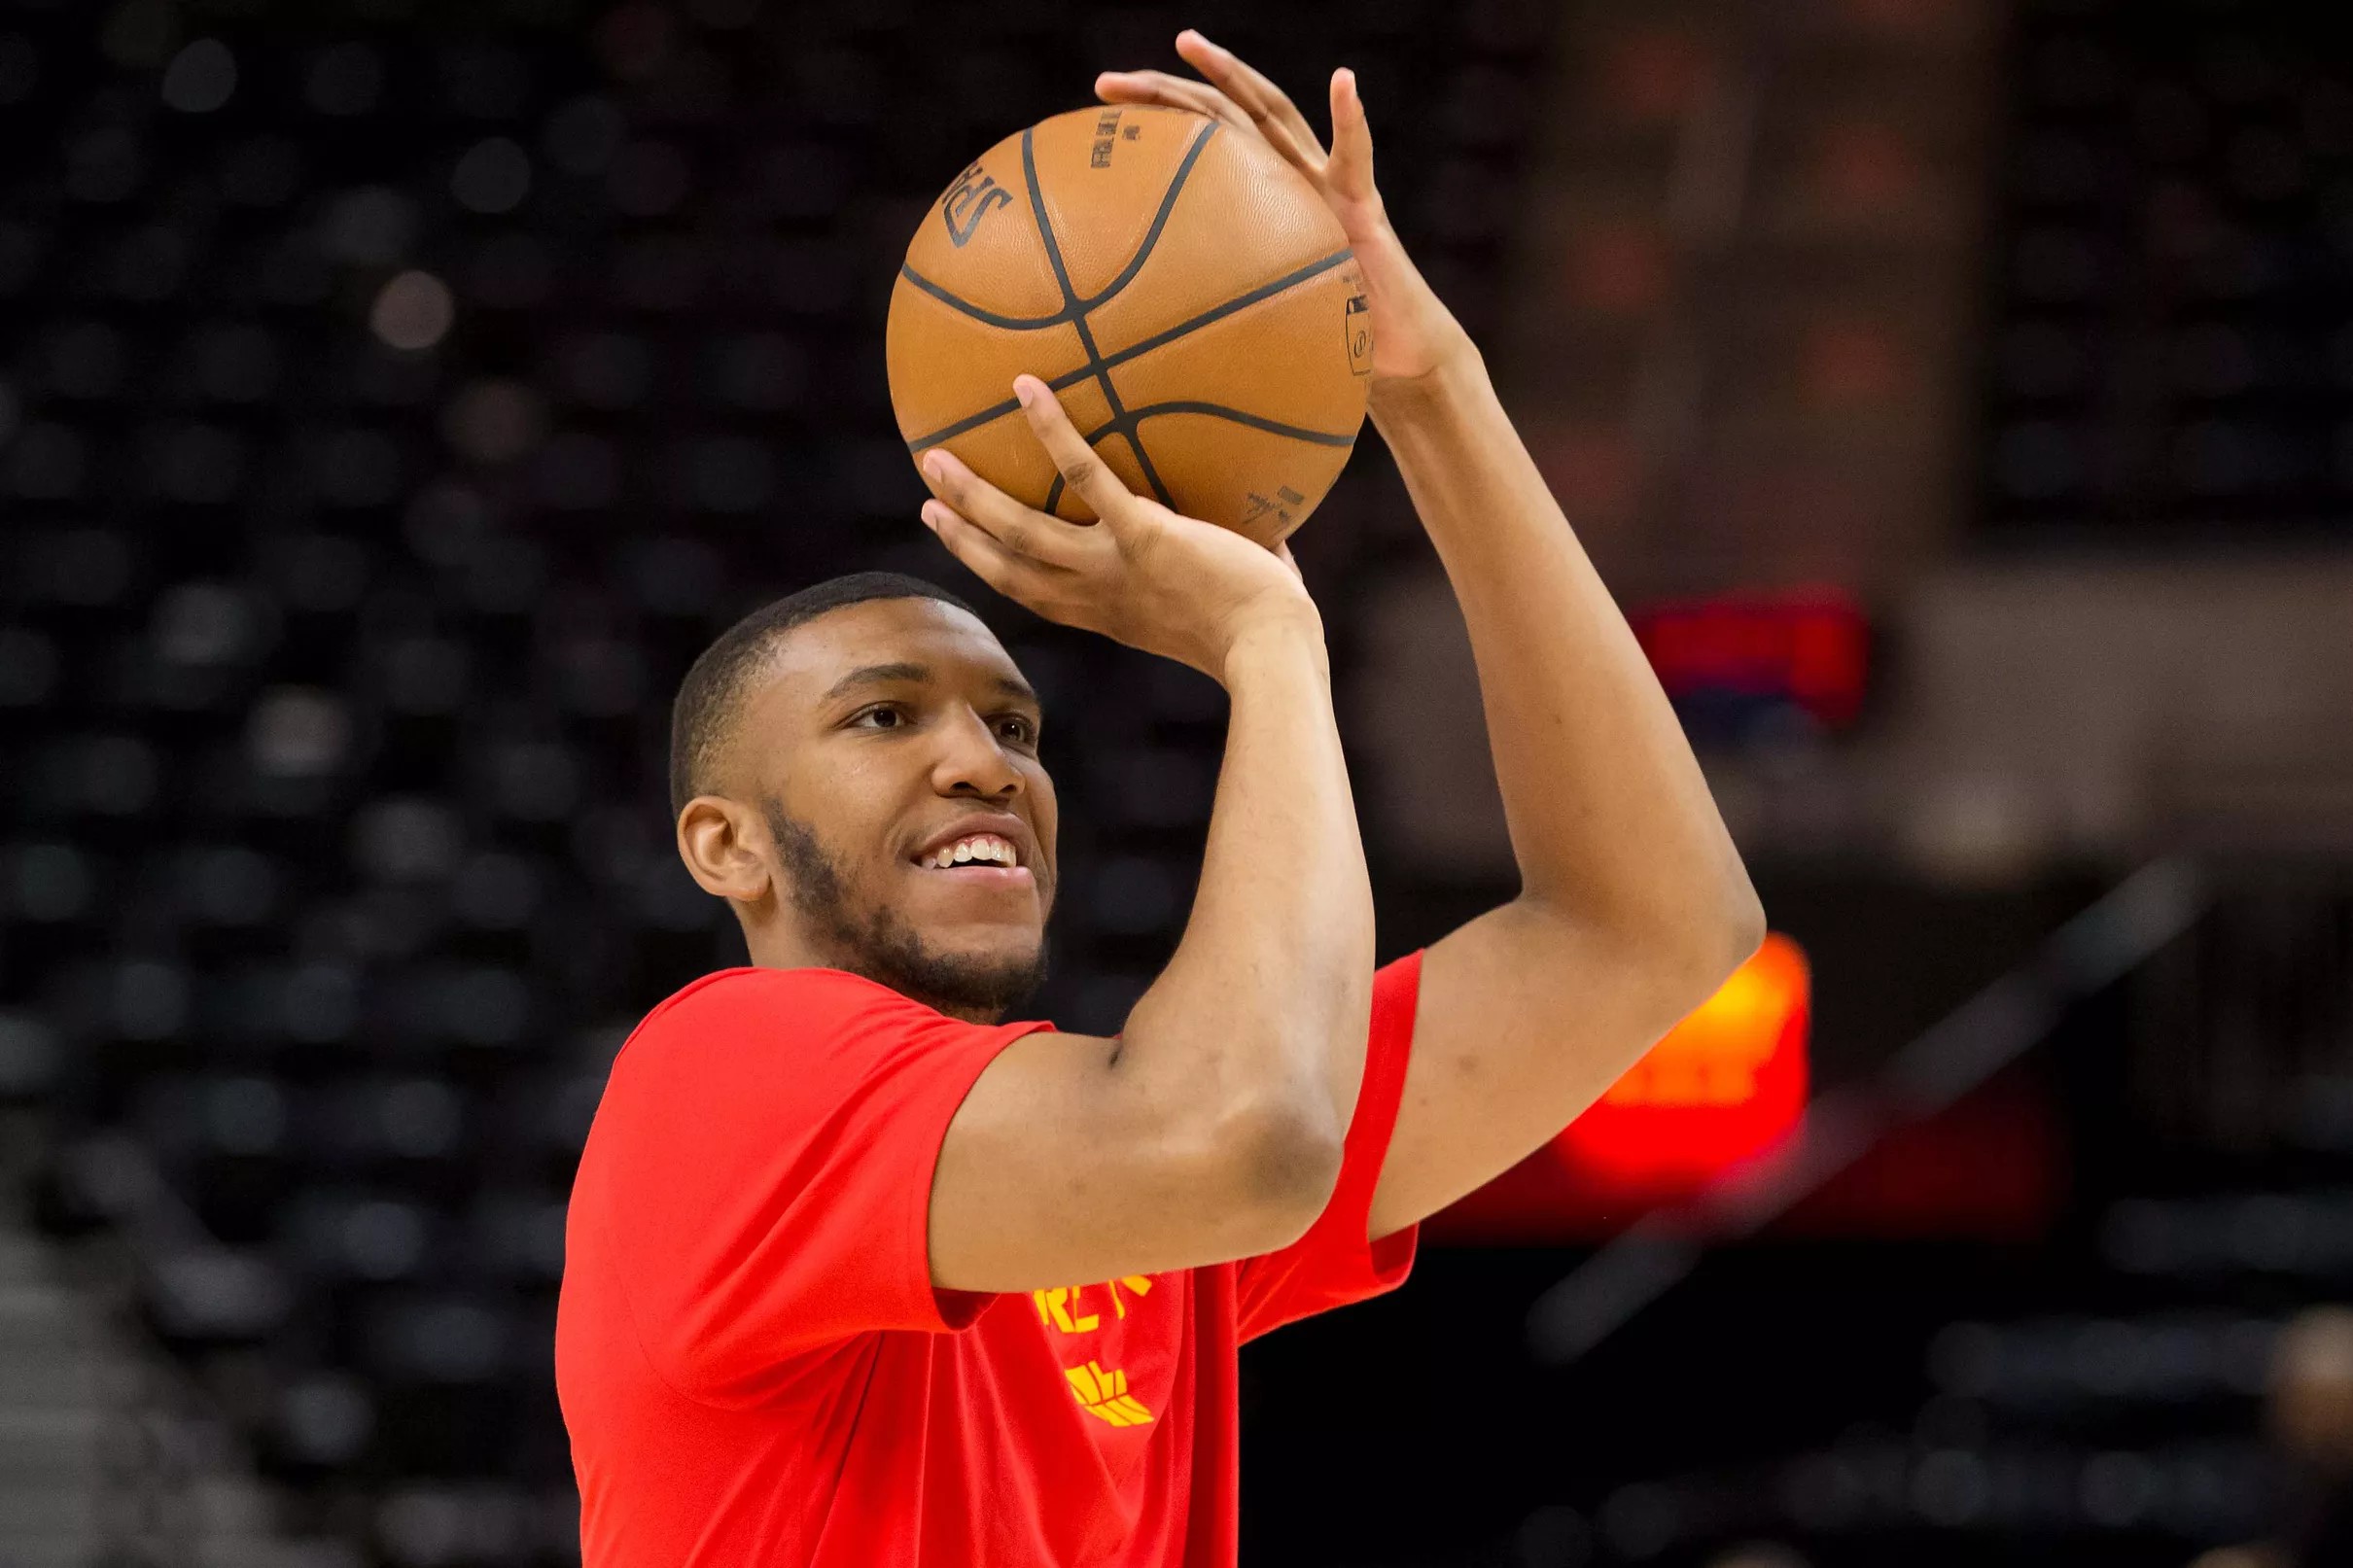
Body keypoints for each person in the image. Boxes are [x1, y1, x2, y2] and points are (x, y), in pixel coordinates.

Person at [554, 28, 1763, 1568]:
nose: (984, 760)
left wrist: (1431, 391)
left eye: (1013, 721)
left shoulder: (1117, 1182)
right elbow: (1242, 1133)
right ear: (725, 844)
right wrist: (1269, 644)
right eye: (884, 715)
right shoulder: (720, 1080)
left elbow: (1653, 927)